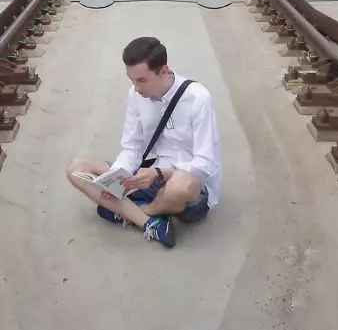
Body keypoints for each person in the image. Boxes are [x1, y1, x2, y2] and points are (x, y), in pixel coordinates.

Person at [66, 36, 222, 248]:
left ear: (163, 71)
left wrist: (159, 174)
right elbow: (132, 147)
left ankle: (134, 211)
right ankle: (151, 223)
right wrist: (116, 180)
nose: (136, 88)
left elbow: (206, 163)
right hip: (149, 176)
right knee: (77, 169)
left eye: (142, 80)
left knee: (180, 186)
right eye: (131, 80)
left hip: (189, 187)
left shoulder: (198, 98)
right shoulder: (135, 95)